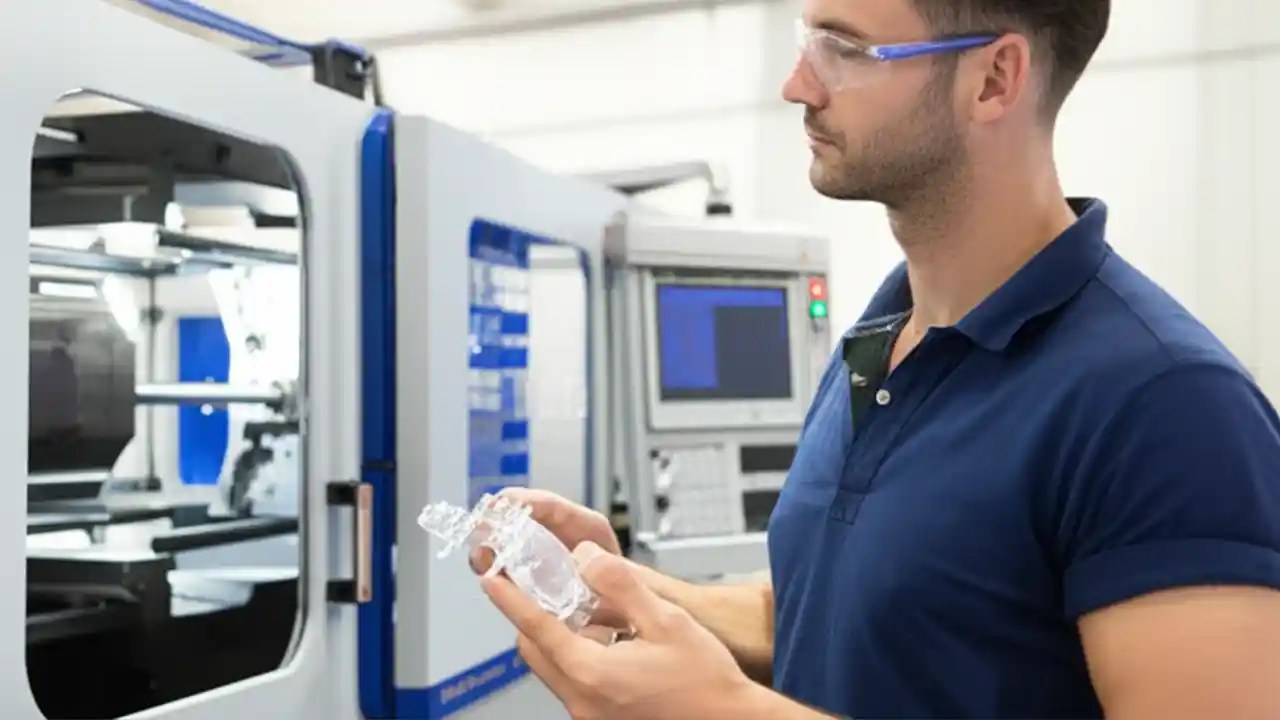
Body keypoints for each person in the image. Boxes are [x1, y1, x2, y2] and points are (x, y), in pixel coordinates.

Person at [475, 0, 1280, 717]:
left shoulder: (1167, 407)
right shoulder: (884, 341)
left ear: (995, 79)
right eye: (806, 40)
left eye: (845, 49)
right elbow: (865, 613)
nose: (798, 85)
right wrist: (630, 591)